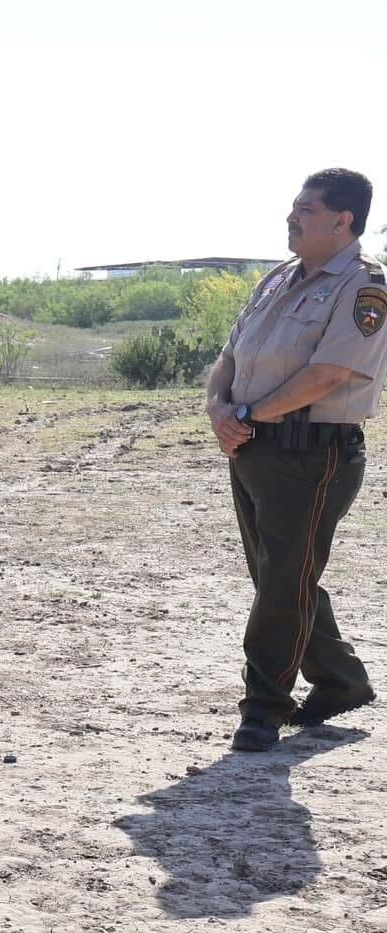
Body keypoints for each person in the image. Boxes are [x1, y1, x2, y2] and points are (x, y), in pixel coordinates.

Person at [205, 169, 385, 752]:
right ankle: (340, 680)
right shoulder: (279, 279)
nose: (292, 217)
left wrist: (251, 414)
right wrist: (219, 408)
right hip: (254, 447)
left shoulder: (364, 288)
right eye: (294, 206)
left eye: (306, 209)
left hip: (314, 455)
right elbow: (231, 355)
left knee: (284, 580)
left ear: (343, 221)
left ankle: (264, 706)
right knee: (280, 575)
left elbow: (328, 374)